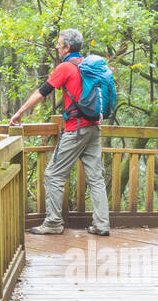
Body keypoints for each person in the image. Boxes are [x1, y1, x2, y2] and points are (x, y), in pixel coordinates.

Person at [9, 28, 110, 236]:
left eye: (59, 42)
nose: (56, 46)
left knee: (53, 175)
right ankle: (102, 224)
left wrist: (19, 112)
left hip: (76, 129)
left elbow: (42, 93)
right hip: (94, 127)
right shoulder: (87, 66)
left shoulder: (65, 68)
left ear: (67, 47)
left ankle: (53, 223)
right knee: (96, 178)